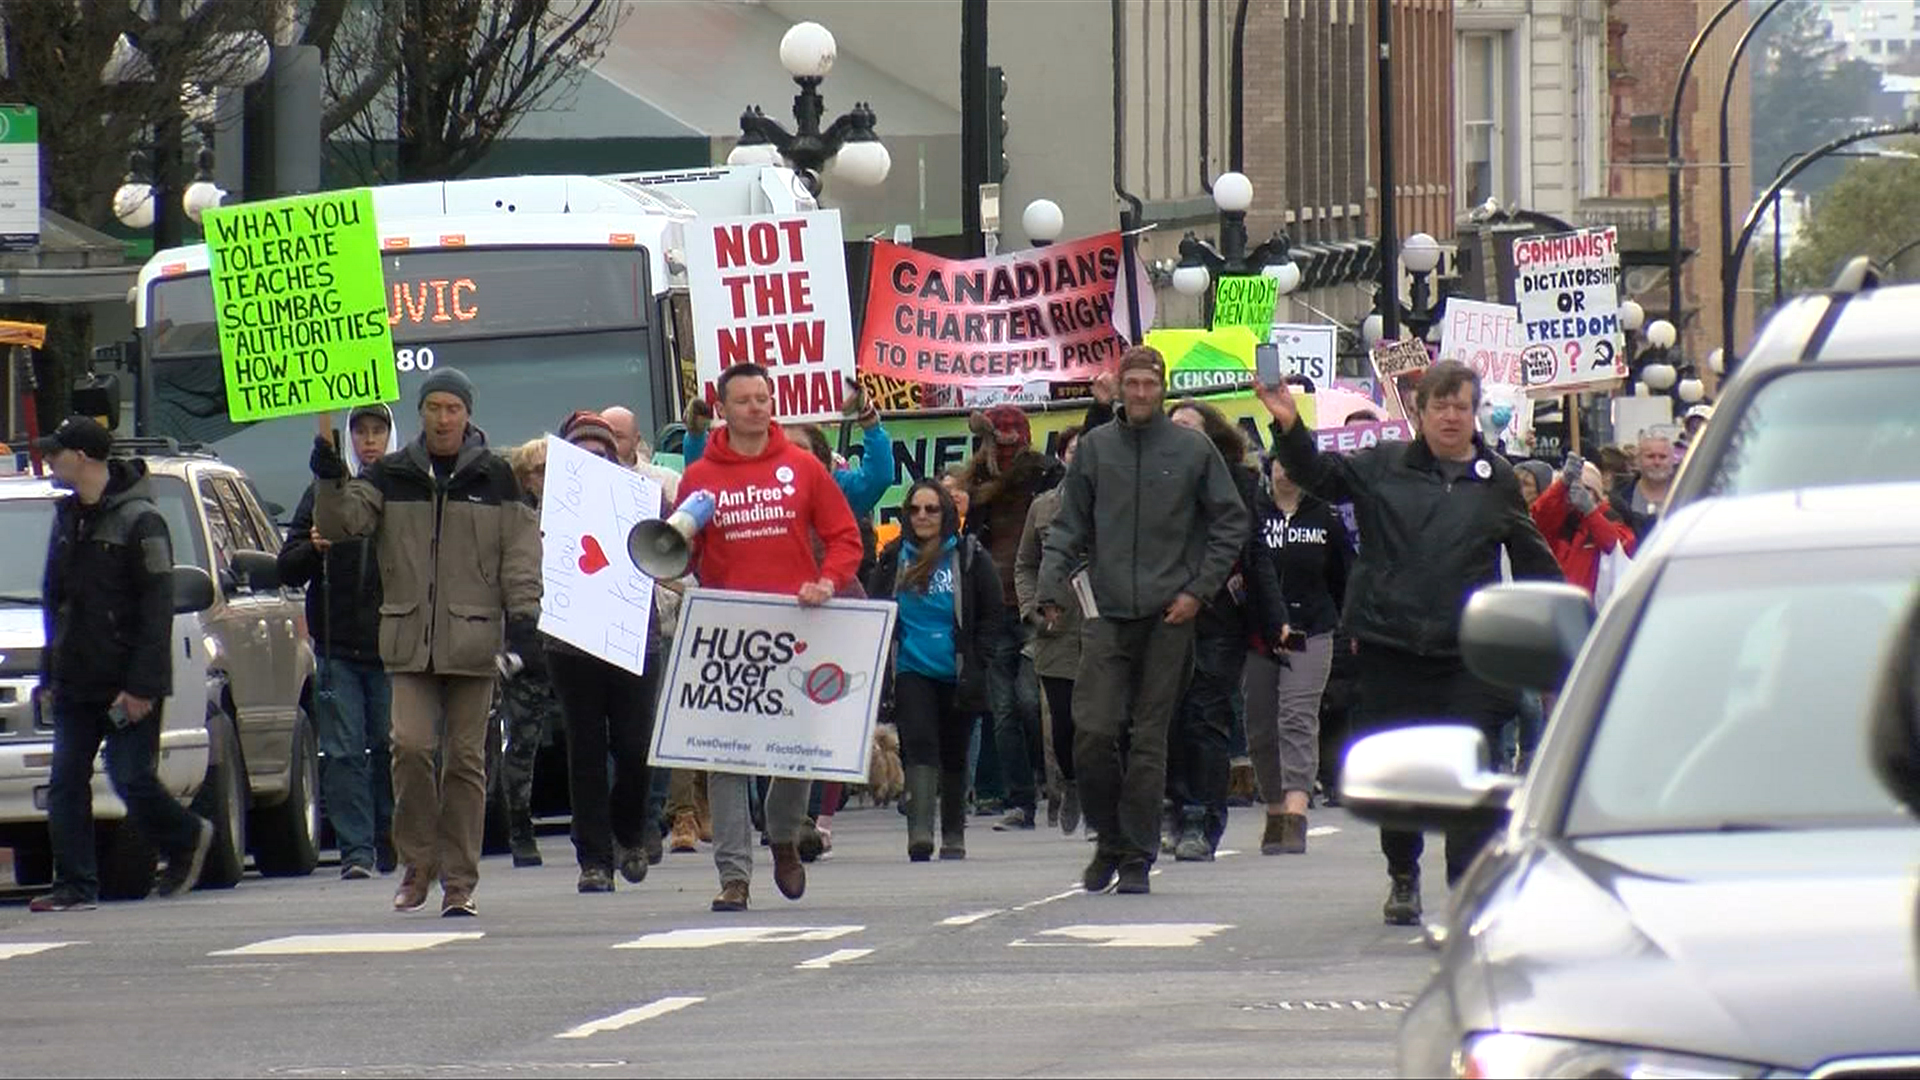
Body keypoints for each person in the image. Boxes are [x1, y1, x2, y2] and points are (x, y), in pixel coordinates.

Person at [1253, 359, 1561, 926]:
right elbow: (1320, 475)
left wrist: (1557, 631)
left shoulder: (1496, 485)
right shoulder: (1383, 466)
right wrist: (1289, 426)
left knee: (1472, 767)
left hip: (1468, 653)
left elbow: (1535, 562)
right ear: (1418, 414)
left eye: (1461, 406)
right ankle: (1402, 872)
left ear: (1474, 413)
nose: (1450, 416)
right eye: (1439, 406)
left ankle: (1466, 883)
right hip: (1389, 643)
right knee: (1399, 772)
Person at [310, 369, 543, 918]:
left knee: (465, 761)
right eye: (434, 407)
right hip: (408, 636)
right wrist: (329, 478)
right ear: (420, 413)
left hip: (473, 639)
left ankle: (459, 880)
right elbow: (343, 525)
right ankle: (418, 862)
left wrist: (525, 616)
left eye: (452, 408)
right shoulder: (390, 474)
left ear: (467, 414)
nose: (443, 418)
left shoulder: (495, 478)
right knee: (410, 748)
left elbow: (519, 551)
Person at [1038, 346, 1251, 896]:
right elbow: (1068, 525)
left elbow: (1230, 523)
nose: (1139, 394)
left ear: (1161, 387)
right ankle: (1109, 838)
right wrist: (1050, 589)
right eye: (1130, 384)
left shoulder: (1191, 449)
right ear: (1121, 387)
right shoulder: (1097, 450)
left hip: (1169, 614)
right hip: (1106, 610)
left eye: (1148, 385)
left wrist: (1197, 592)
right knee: (1093, 732)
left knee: (1149, 739)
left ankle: (1136, 855)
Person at [677, 361, 864, 913]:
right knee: (728, 759)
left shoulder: (802, 467)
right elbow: (681, 547)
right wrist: (673, 563)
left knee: (795, 753)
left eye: (763, 398)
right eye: (744, 400)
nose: (756, 408)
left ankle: (783, 837)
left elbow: (844, 537)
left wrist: (827, 581)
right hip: (729, 636)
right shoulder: (700, 478)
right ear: (723, 407)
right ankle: (734, 876)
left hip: (797, 629)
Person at [29, 417, 216, 912]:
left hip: (126, 682)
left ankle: (186, 836)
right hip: (76, 679)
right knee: (67, 781)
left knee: (129, 775)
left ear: (84, 458)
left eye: (57, 452)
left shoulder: (141, 521)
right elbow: (56, 600)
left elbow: (156, 610)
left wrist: (141, 687)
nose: (50, 460)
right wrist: (50, 674)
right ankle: (74, 885)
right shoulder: (68, 517)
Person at [540, 411, 665, 893]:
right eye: (582, 453)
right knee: (586, 750)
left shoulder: (641, 498)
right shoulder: (549, 503)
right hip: (570, 645)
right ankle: (593, 858)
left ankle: (629, 831)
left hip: (632, 637)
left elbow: (669, 545)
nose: (592, 461)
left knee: (634, 746)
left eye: (600, 453)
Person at [278, 404, 397, 879]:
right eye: (361, 431)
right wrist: (314, 547)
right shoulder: (321, 493)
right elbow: (287, 566)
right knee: (345, 751)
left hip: (393, 646)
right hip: (338, 646)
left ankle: (393, 838)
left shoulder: (403, 490)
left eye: (378, 431)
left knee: (395, 748)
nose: (369, 441)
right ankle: (356, 851)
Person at [1164, 398, 1285, 862]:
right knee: (1167, 719)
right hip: (1164, 614)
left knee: (1205, 716)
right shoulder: (1155, 481)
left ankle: (1202, 818)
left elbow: (1255, 556)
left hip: (1218, 617)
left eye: (1190, 427)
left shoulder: (1239, 482)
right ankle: (1173, 807)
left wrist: (1275, 622)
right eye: (1173, 427)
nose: (1180, 435)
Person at [868, 480, 1003, 861]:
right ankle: (921, 832)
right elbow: (876, 607)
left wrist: (980, 659)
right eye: (914, 509)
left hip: (960, 669)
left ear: (946, 513)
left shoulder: (969, 556)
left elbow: (992, 615)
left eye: (931, 509)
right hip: (912, 667)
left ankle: (955, 833)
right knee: (920, 743)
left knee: (955, 752)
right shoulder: (894, 557)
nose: (922, 516)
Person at [1241, 451, 1352, 856]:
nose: (1286, 472)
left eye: (1294, 466)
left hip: (1312, 629)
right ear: (1269, 469)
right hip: (1262, 632)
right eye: (1280, 465)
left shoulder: (1326, 517)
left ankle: (1296, 811)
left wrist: (1344, 623)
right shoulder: (1255, 513)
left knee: (1297, 716)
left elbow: (1344, 576)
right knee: (1260, 724)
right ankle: (1274, 808)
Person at [962, 404, 1061, 833]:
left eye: (1007, 438)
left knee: (1028, 702)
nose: (1001, 447)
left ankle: (1050, 783)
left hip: (1033, 603)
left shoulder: (1042, 477)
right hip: (994, 606)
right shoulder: (981, 484)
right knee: (1002, 710)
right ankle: (1020, 799)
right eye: (994, 440)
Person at [1015, 424, 1089, 838]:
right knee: (1063, 721)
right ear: (1062, 456)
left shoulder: (1110, 503)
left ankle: (1102, 798)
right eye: (1073, 451)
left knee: (1102, 718)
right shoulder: (1043, 507)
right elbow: (1025, 563)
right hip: (1055, 627)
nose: (1079, 457)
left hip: (1101, 624)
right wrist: (1032, 608)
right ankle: (1071, 782)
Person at [500, 438, 565, 868]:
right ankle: (519, 824)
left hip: (573, 643)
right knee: (522, 741)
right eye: (537, 470)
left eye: (551, 468)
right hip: (528, 640)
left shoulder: (579, 515)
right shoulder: (512, 521)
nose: (544, 477)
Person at [1532, 455, 1637, 595]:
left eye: (1586, 489)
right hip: (1559, 605)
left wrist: (1590, 511)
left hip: (1594, 609)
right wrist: (1562, 484)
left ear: (1597, 494)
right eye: (1570, 488)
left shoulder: (1610, 518)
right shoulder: (1561, 521)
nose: (1576, 493)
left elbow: (1618, 547)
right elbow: (1539, 518)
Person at [1611, 428, 1676, 545]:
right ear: (1638, 460)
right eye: (1650, 456)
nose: (1657, 462)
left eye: (1663, 457)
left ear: (1672, 460)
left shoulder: (1689, 495)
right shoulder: (1619, 499)